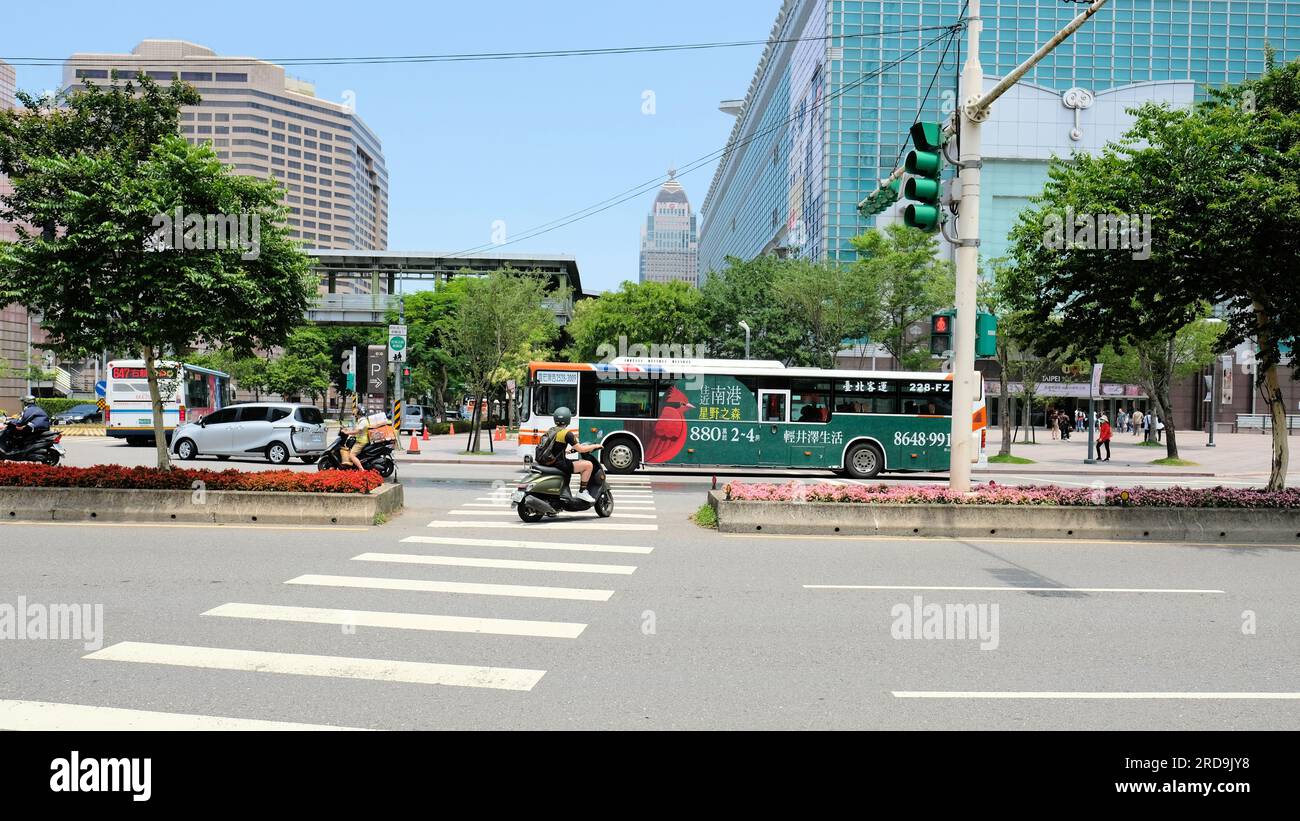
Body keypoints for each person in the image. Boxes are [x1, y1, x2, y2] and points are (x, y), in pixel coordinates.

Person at [546, 407, 598, 503]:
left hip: (550, 461)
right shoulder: (567, 433)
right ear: (568, 419)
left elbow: (554, 447)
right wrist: (595, 446)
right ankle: (582, 491)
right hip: (560, 463)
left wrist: (567, 451)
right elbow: (581, 449)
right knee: (588, 465)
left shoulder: (551, 430)